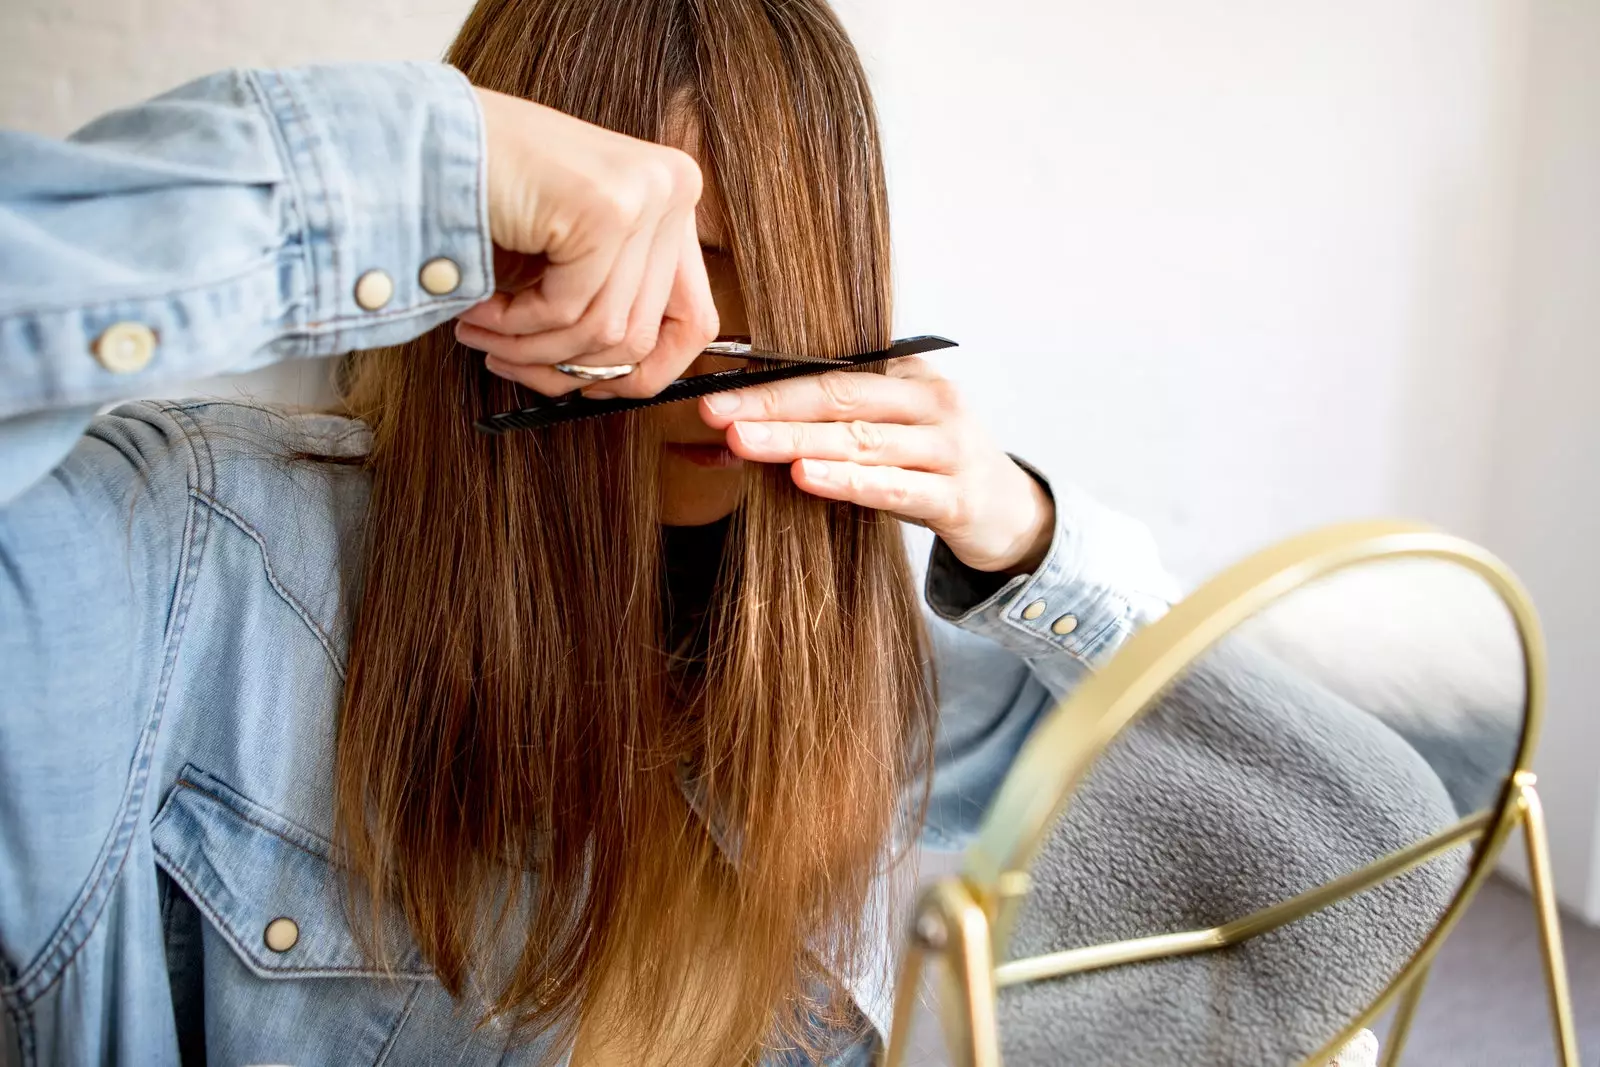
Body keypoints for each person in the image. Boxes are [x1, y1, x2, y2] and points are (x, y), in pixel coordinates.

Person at [0, 0, 1178, 1063]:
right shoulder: (189, 556)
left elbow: (1304, 836)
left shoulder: (853, 684)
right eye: (659, 264)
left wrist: (1023, 533)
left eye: (783, 274)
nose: (730, 338)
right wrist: (397, 173)